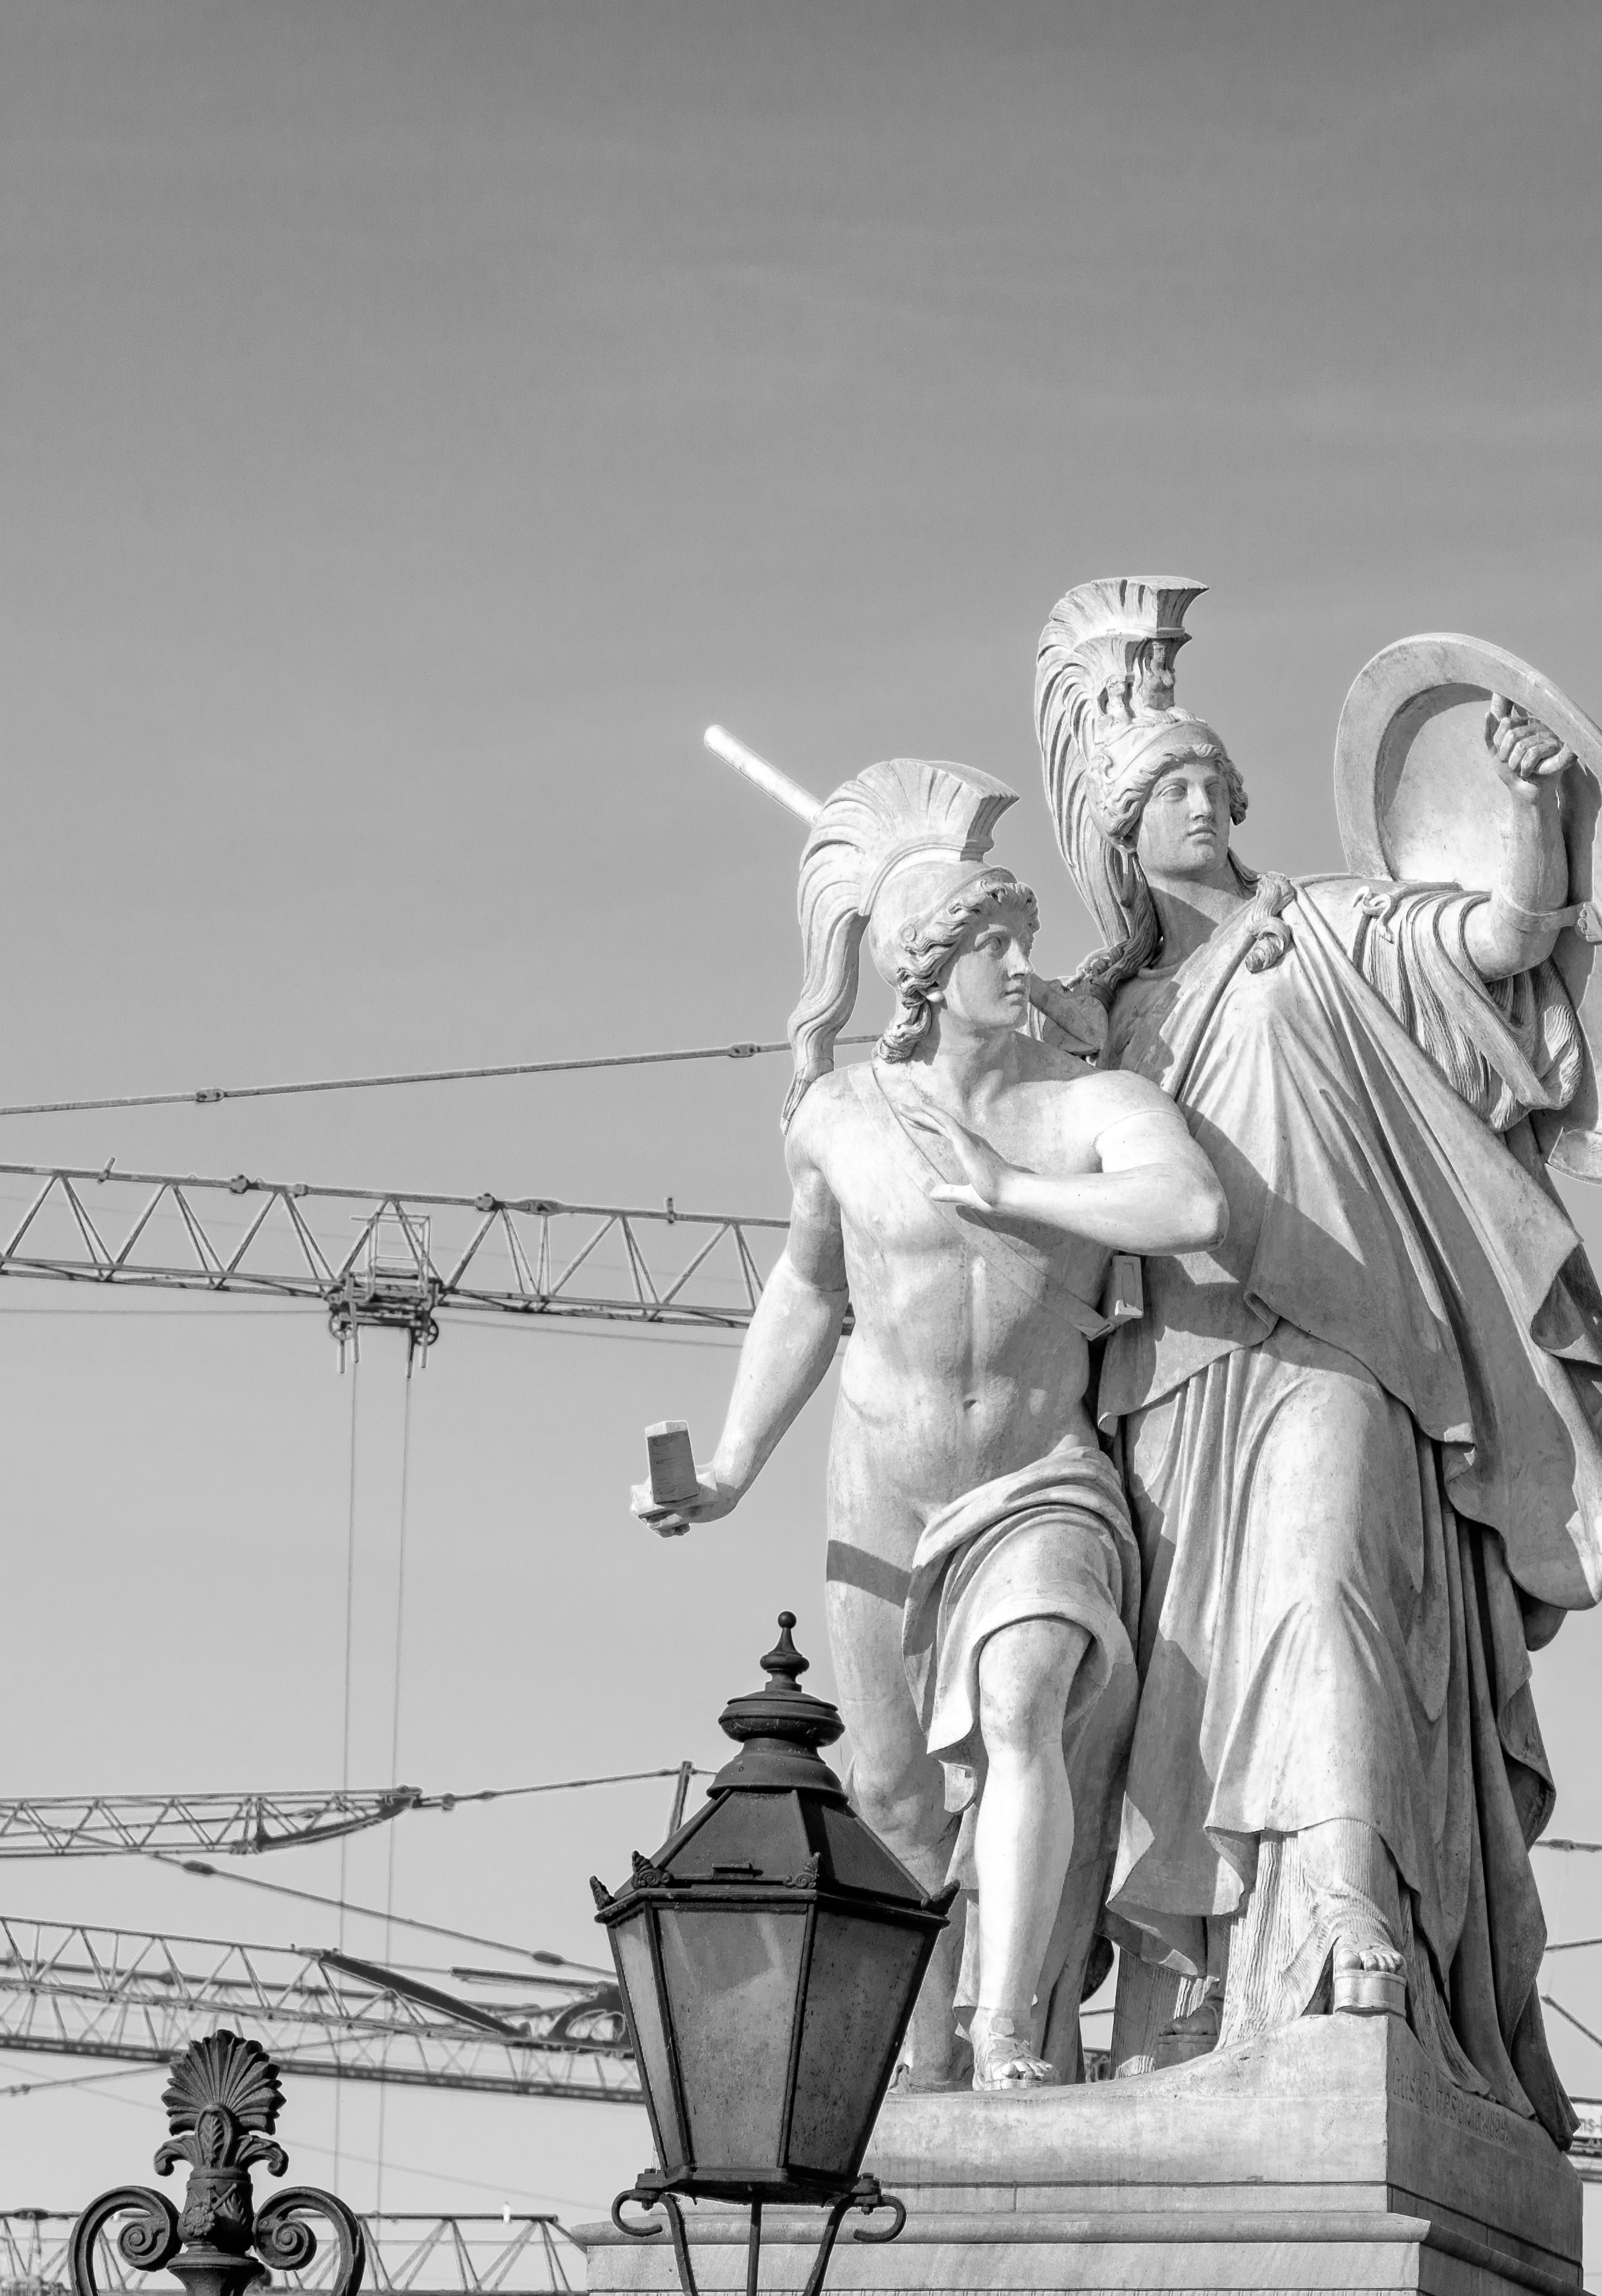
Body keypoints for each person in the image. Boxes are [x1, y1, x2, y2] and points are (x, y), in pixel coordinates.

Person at [1029, 578, 1602, 2143]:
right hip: (1169, 1381)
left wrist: (1530, 811)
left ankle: (1343, 1907)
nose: (1201, 799)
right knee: (1178, 1679)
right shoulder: (1101, 1019)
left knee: (1319, 1591)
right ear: (1119, 833)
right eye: (1166, 785)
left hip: (1348, 1344)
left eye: (1211, 778)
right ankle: (1194, 1991)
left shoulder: (1331, 933)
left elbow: (1499, 938)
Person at [635, 757, 1224, 2090]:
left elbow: (1189, 1208)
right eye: (990, 944)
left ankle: (1011, 2034)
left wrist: (1014, 1188)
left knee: (1023, 1704)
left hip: (1039, 1476)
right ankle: (922, 2066)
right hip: (884, 1490)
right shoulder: (839, 1118)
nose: (1021, 963)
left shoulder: (1089, 1107)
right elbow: (808, 1288)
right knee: (897, 1804)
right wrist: (730, 1466)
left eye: (1022, 936)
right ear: (925, 968)